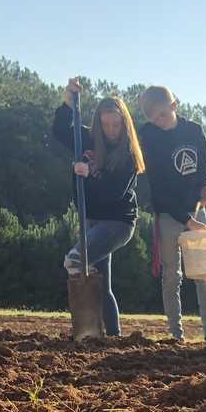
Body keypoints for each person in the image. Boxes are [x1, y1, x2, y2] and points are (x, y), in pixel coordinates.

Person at [51, 78, 143, 337]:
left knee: (75, 260)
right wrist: (67, 101)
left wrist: (89, 172)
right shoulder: (86, 139)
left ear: (124, 124)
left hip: (117, 223)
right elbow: (60, 131)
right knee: (103, 287)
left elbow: (114, 194)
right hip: (92, 220)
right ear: (98, 124)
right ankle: (113, 337)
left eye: (116, 124)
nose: (111, 130)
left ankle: (88, 329)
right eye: (105, 124)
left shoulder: (129, 155)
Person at [137, 85, 206, 342]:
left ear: (174, 105)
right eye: (154, 119)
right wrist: (186, 220)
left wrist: (205, 188)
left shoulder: (193, 130)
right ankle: (176, 334)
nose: (159, 122)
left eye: (162, 115)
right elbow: (157, 187)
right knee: (172, 275)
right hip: (168, 214)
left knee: (204, 273)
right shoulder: (148, 135)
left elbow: (204, 166)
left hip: (196, 209)